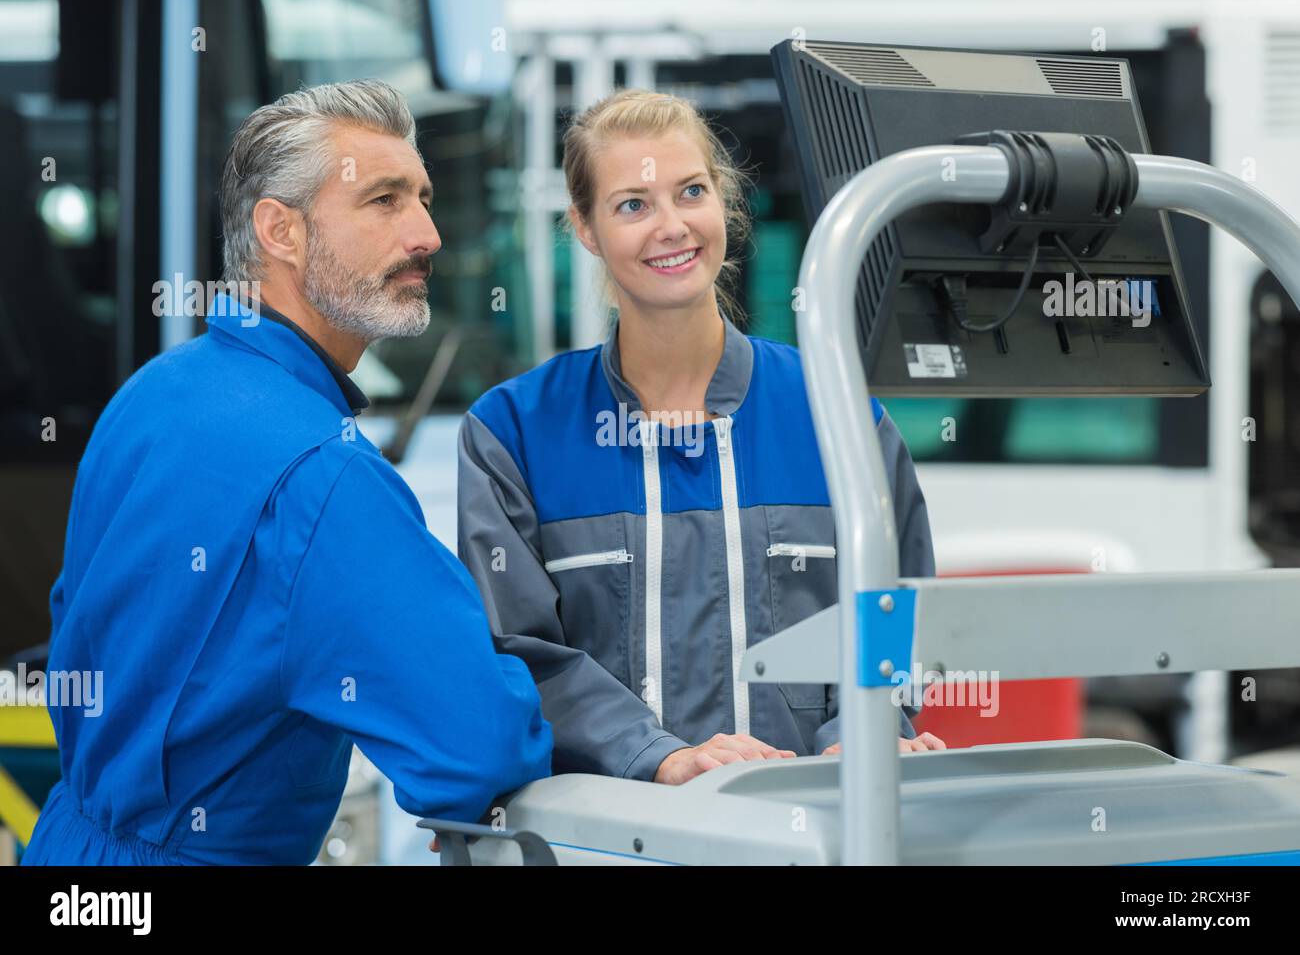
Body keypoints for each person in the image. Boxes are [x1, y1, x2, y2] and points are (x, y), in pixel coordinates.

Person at [22, 80, 550, 865]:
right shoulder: (324, 476)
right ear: (282, 231)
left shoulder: (151, 393)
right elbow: (474, 747)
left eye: (425, 198)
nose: (429, 233)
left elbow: (76, 631)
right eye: (385, 200)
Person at [457, 90, 942, 788]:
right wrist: (660, 756)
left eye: (691, 192)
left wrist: (862, 738)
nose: (672, 226)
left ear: (725, 202)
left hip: (815, 836)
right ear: (585, 228)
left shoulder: (838, 413)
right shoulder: (512, 434)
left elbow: (899, 609)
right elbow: (517, 656)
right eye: (633, 204)